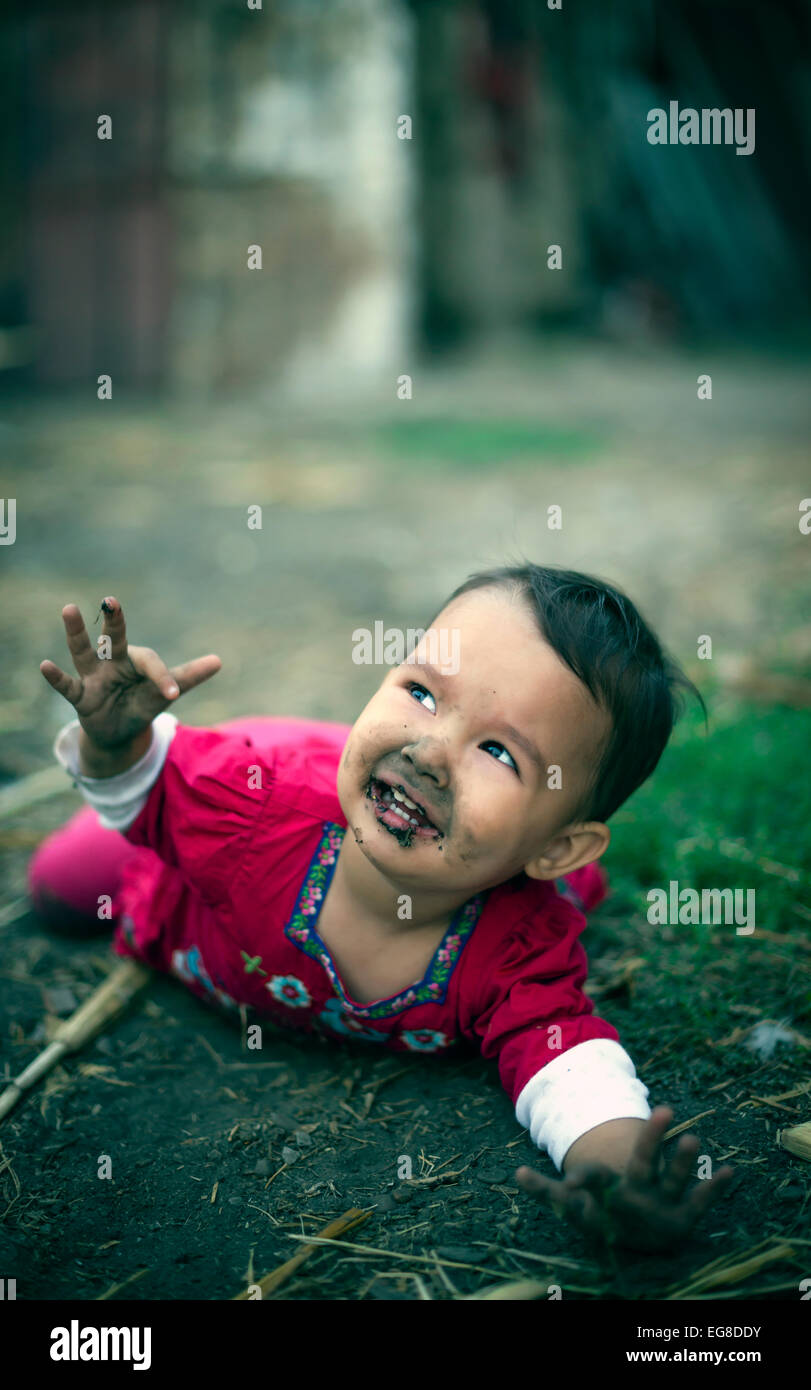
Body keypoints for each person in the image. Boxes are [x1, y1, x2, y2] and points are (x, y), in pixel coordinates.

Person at [29, 564, 734, 1251]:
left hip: (425, 820)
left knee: (552, 891)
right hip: (262, 791)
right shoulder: (247, 813)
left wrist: (612, 1170)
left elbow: (567, 1064)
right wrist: (116, 743)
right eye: (422, 694)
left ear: (559, 844)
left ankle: (562, 865)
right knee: (58, 886)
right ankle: (280, 746)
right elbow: (144, 781)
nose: (430, 750)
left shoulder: (516, 945)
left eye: (497, 750)